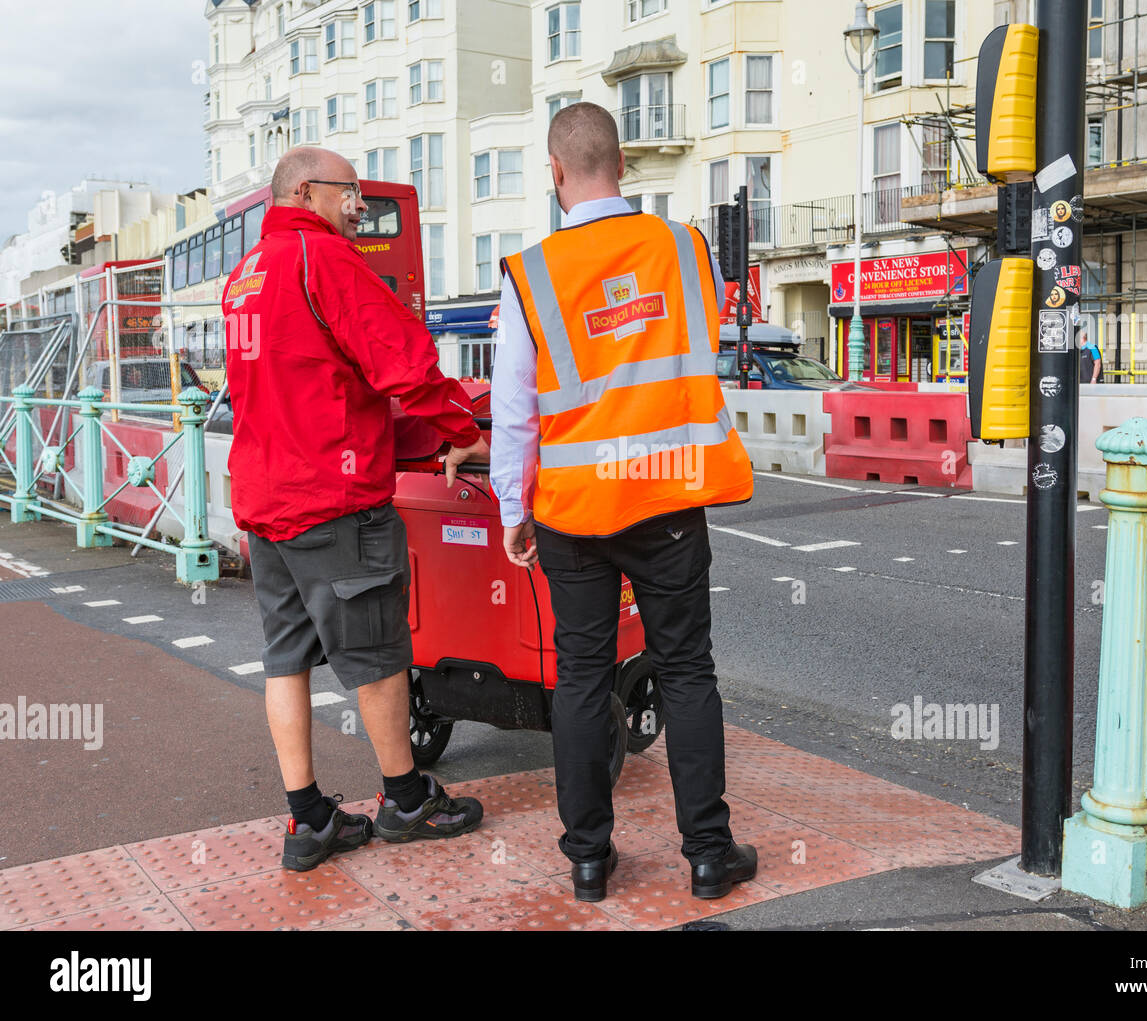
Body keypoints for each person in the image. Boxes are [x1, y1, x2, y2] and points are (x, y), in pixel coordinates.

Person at [490, 103, 758, 903]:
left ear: (556, 171)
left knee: (579, 674)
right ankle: (708, 855)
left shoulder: (530, 274)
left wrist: (514, 507)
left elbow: (515, 412)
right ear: (623, 165)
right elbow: (699, 342)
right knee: (687, 670)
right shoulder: (684, 247)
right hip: (670, 495)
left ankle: (588, 860)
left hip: (574, 511)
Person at [222, 146, 489, 872]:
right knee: (376, 657)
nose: (360, 207)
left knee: (286, 661)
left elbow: (303, 379)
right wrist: (462, 431)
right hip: (331, 498)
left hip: (264, 500)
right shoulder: (327, 261)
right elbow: (405, 363)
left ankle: (308, 819)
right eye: (351, 194)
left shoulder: (243, 276)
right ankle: (406, 799)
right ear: (306, 190)